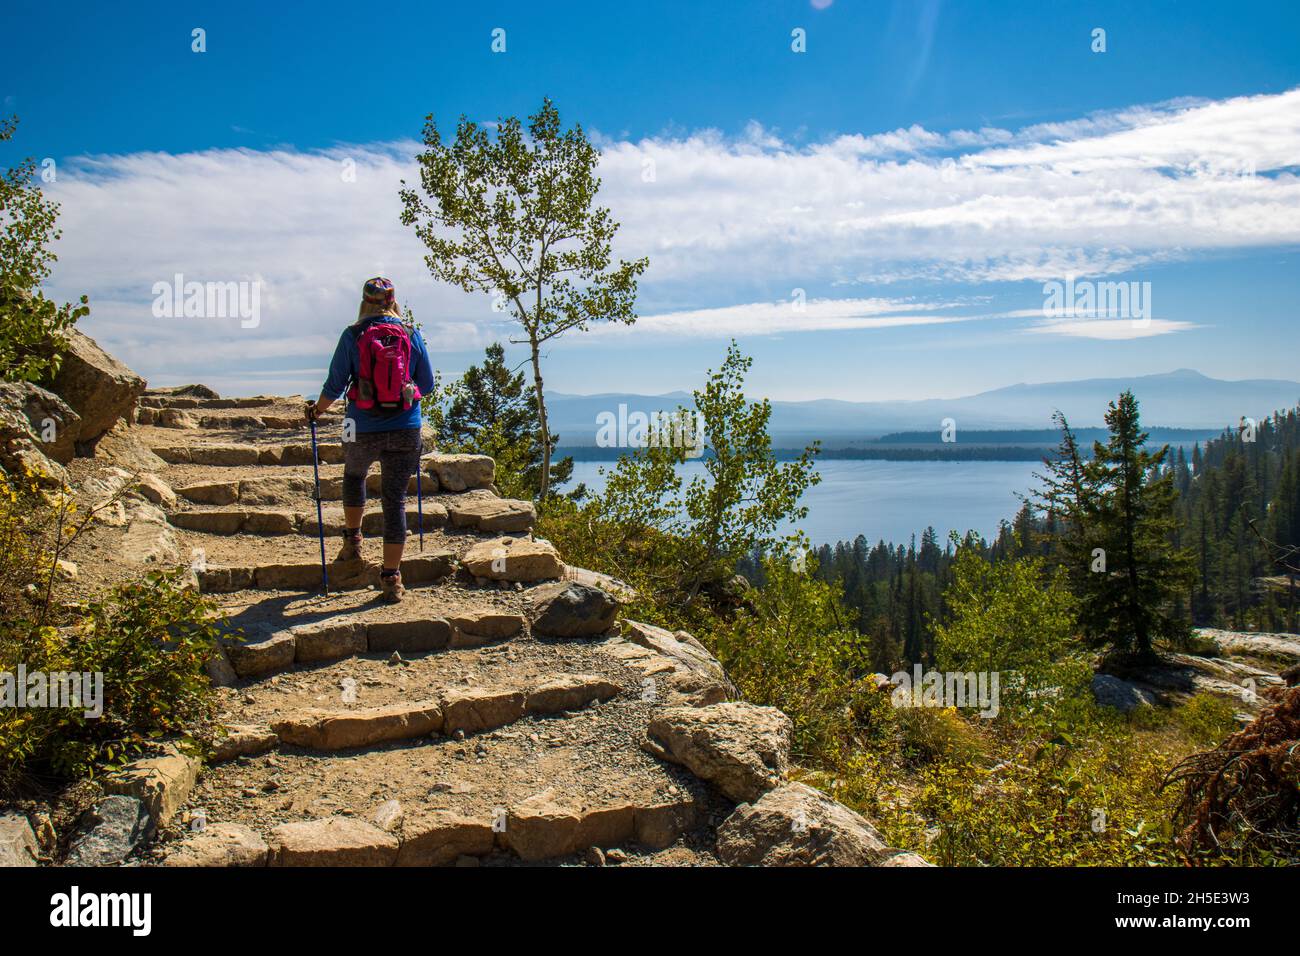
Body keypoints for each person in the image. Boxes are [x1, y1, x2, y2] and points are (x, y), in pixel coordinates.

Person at [304, 277, 435, 602]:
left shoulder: (353, 335)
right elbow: (428, 383)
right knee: (394, 499)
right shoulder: (409, 333)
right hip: (406, 427)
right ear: (393, 302)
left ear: (364, 302)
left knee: (353, 475)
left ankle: (353, 541)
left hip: (357, 425)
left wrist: (317, 411)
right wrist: (409, 394)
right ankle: (391, 578)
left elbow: (335, 384)